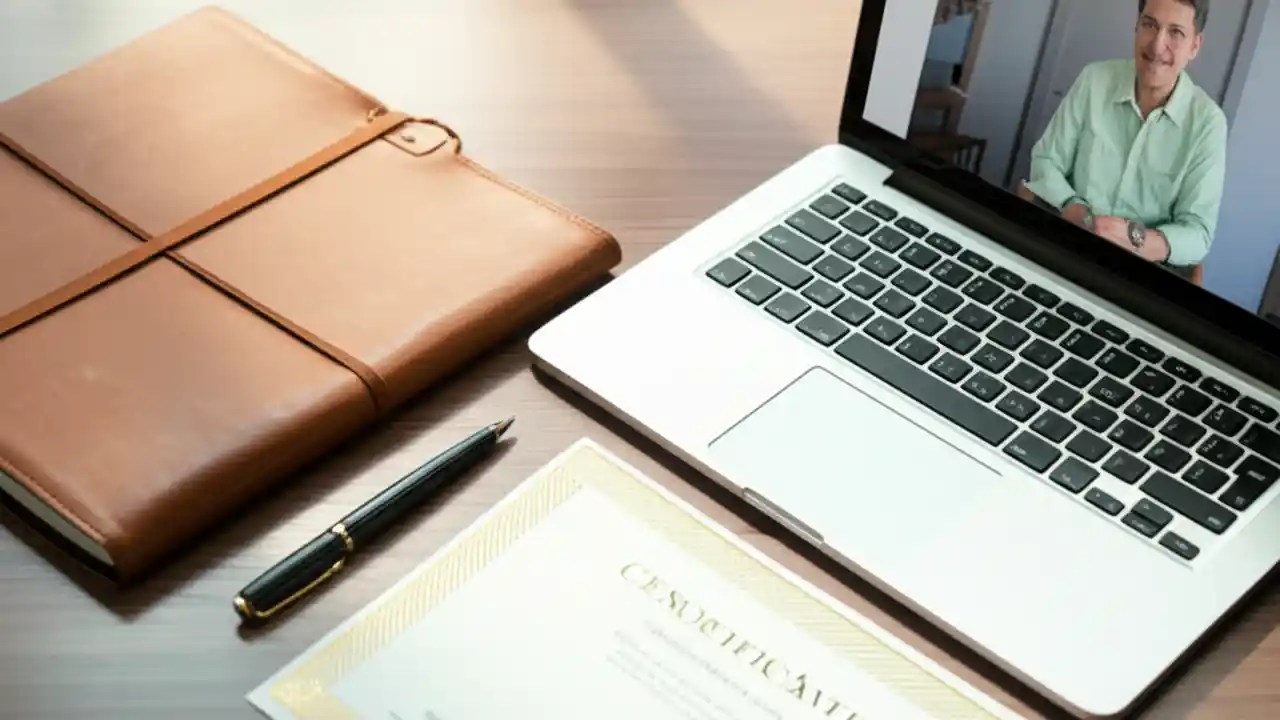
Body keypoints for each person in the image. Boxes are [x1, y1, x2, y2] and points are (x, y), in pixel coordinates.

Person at [1023, 0, 1227, 275]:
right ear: (1136, 25)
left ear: (1194, 46)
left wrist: (1136, 238)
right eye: (1149, 25)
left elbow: (1198, 233)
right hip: (1066, 241)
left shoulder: (1208, 123)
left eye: (1176, 32)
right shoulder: (1093, 79)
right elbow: (1046, 160)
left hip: (1137, 273)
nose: (1156, 46)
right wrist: (1076, 210)